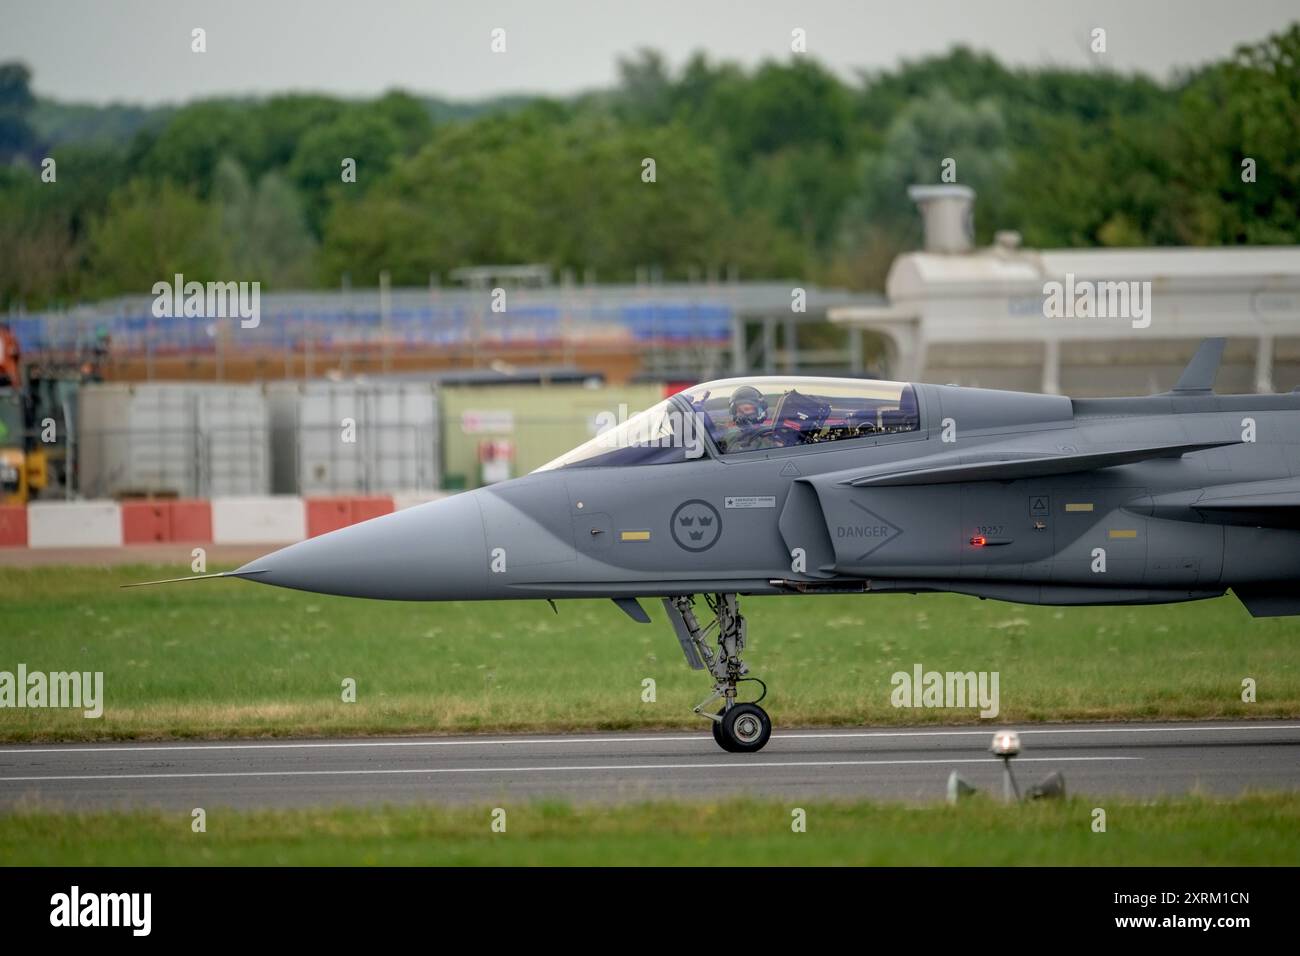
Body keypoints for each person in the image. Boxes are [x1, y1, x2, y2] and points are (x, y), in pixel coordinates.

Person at [718, 385, 785, 452]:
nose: (741, 415)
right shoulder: (729, 435)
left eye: (747, 409)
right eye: (738, 411)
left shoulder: (773, 438)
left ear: (759, 411)